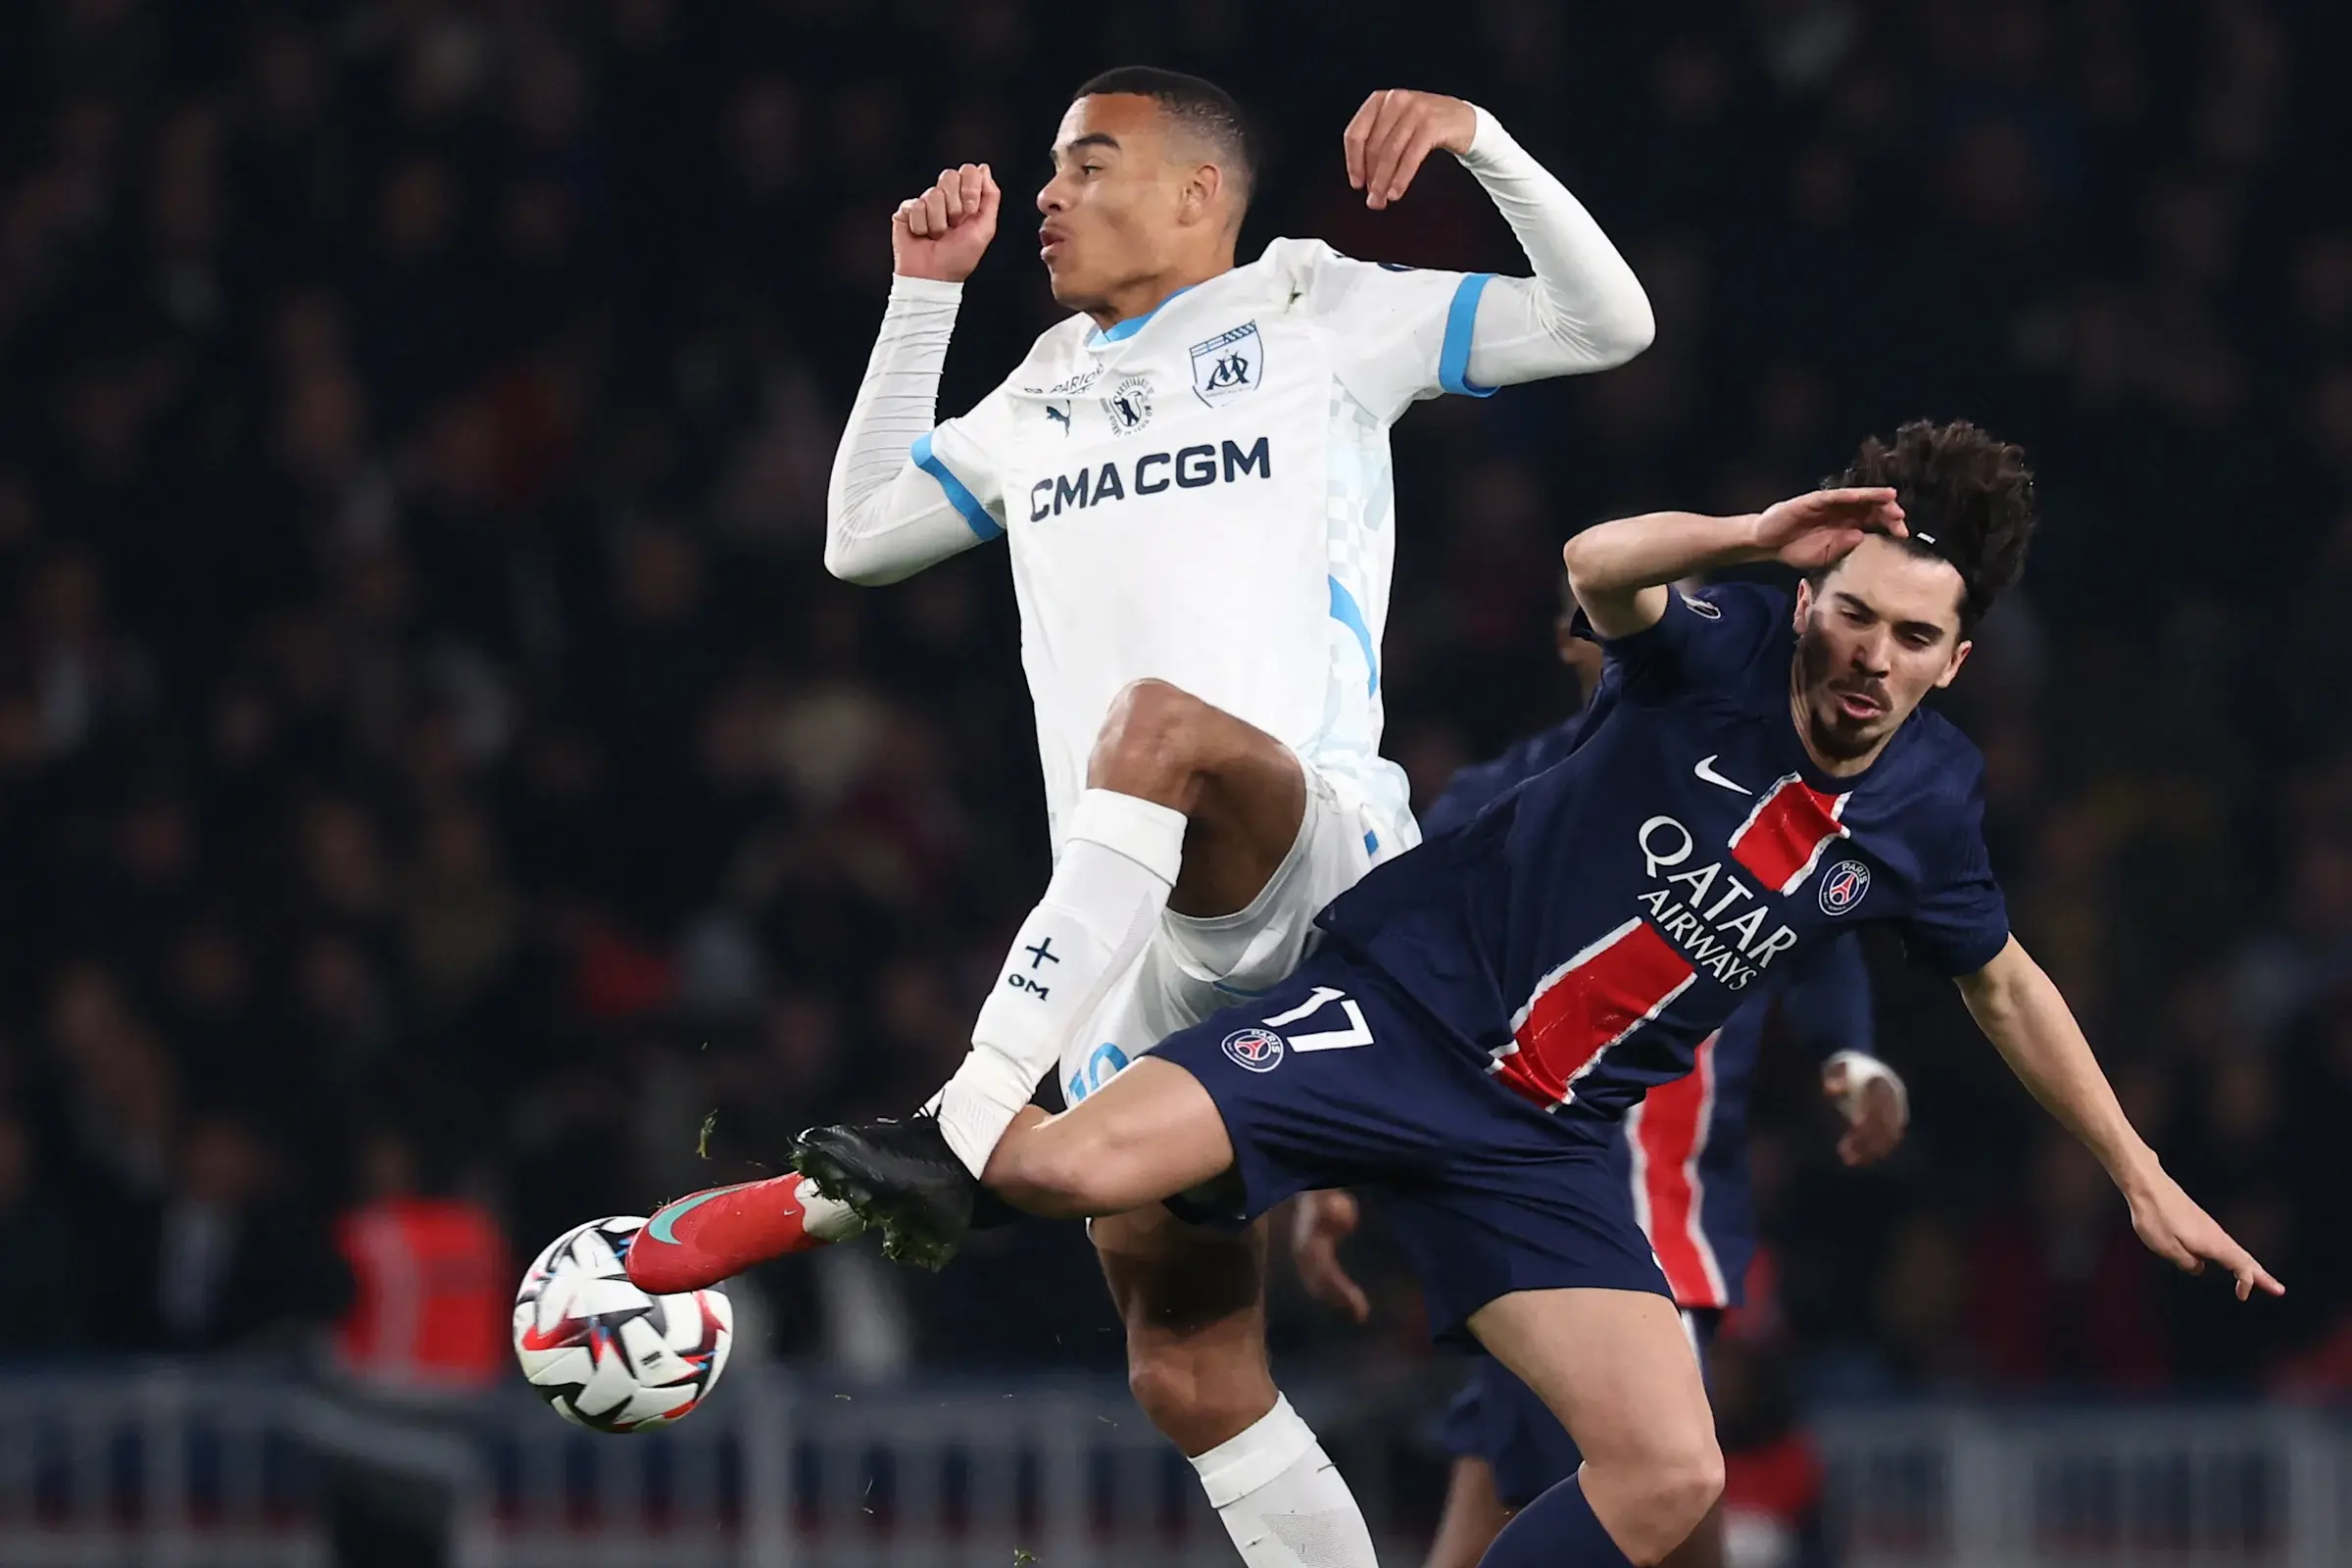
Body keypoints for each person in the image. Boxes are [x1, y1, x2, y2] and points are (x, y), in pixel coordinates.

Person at [804, 422, 2282, 1567]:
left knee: (1675, 1473)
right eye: (1851, 613)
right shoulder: (1723, 647)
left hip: (1544, 1145)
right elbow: (1599, 565)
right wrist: (1750, 534)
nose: (1868, 657)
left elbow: (2004, 983)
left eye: (1910, 639)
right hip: (1398, 1022)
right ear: (1809, 597)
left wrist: (2138, 1172)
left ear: (1953, 664)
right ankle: (810, 1198)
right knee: (1060, 1169)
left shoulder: (1932, 806)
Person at [629, 66, 1654, 1567]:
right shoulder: (1042, 388)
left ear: (1196, 193)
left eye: (1088, 164)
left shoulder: (1315, 309)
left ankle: (962, 1123)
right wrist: (923, 298)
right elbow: (860, 538)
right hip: (1125, 938)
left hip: (1315, 860)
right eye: (1054, 169)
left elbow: (1607, 322)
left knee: (1158, 727)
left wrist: (1484, 144)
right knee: (1188, 1371)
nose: (1048, 194)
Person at [1289, 619, 1909, 1568]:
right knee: (1662, 1499)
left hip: (1665, 1219)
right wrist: (1327, 1169)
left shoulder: (1773, 790)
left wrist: (1851, 1057)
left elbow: (1825, 944)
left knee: (1567, 1506)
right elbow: (1390, 973)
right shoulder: (1498, 797)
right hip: (1550, 1213)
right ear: (1579, 634)